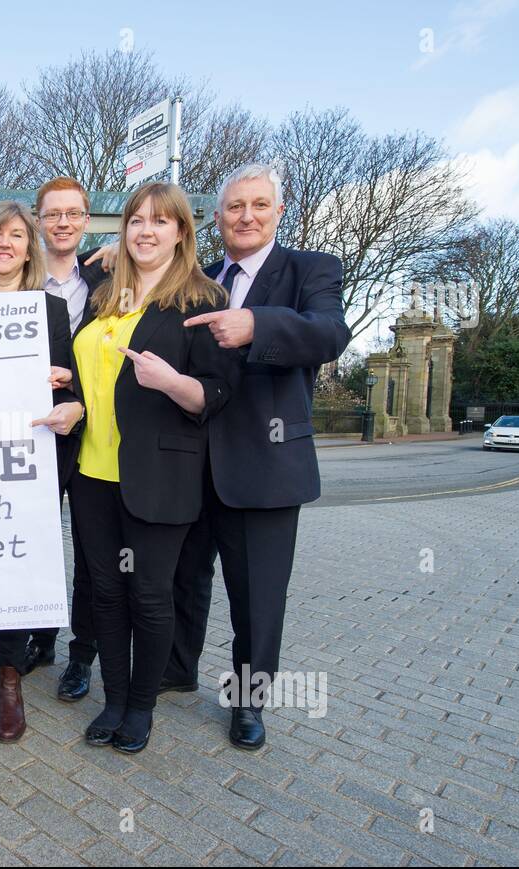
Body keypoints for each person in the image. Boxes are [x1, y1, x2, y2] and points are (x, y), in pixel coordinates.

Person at [166, 163, 349, 750]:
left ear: (277, 212)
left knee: (257, 594)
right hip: (193, 462)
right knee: (183, 579)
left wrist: (256, 324)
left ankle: (249, 702)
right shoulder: (197, 277)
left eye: (259, 206)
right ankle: (176, 670)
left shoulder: (309, 269)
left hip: (266, 466)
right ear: (216, 217)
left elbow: (329, 333)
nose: (246, 216)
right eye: (234, 207)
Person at [70, 182, 239, 754]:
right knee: (105, 595)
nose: (146, 230)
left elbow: (217, 392)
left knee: (148, 594)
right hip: (92, 472)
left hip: (160, 476)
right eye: (137, 220)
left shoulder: (202, 299)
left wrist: (174, 384)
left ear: (181, 233)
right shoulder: (101, 297)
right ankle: (113, 700)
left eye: (160, 222)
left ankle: (141, 708)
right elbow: (86, 375)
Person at [0, 200, 85, 742]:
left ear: (31, 249)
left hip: (27, 462)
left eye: (18, 236)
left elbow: (74, 389)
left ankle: (9, 675)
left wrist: (66, 384)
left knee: (16, 564)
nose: (6, 243)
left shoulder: (48, 311)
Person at [26, 176, 111, 701]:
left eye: (73, 213)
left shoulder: (110, 280)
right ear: (39, 220)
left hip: (95, 436)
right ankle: (38, 639)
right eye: (52, 213)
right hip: (33, 435)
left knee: (93, 553)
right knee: (31, 543)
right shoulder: (17, 284)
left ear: (85, 220)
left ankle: (83, 655)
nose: (62, 222)